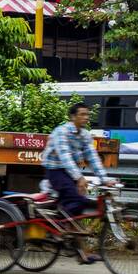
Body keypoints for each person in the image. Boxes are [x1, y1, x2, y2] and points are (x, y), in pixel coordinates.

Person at [42, 102, 113, 263]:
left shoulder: (85, 135)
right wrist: (79, 178)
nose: (86, 118)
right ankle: (58, 230)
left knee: (79, 204)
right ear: (73, 117)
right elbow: (64, 156)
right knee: (75, 198)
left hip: (69, 172)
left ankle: (80, 250)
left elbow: (92, 157)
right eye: (82, 114)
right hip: (55, 169)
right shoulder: (62, 132)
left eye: (87, 115)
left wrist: (104, 179)